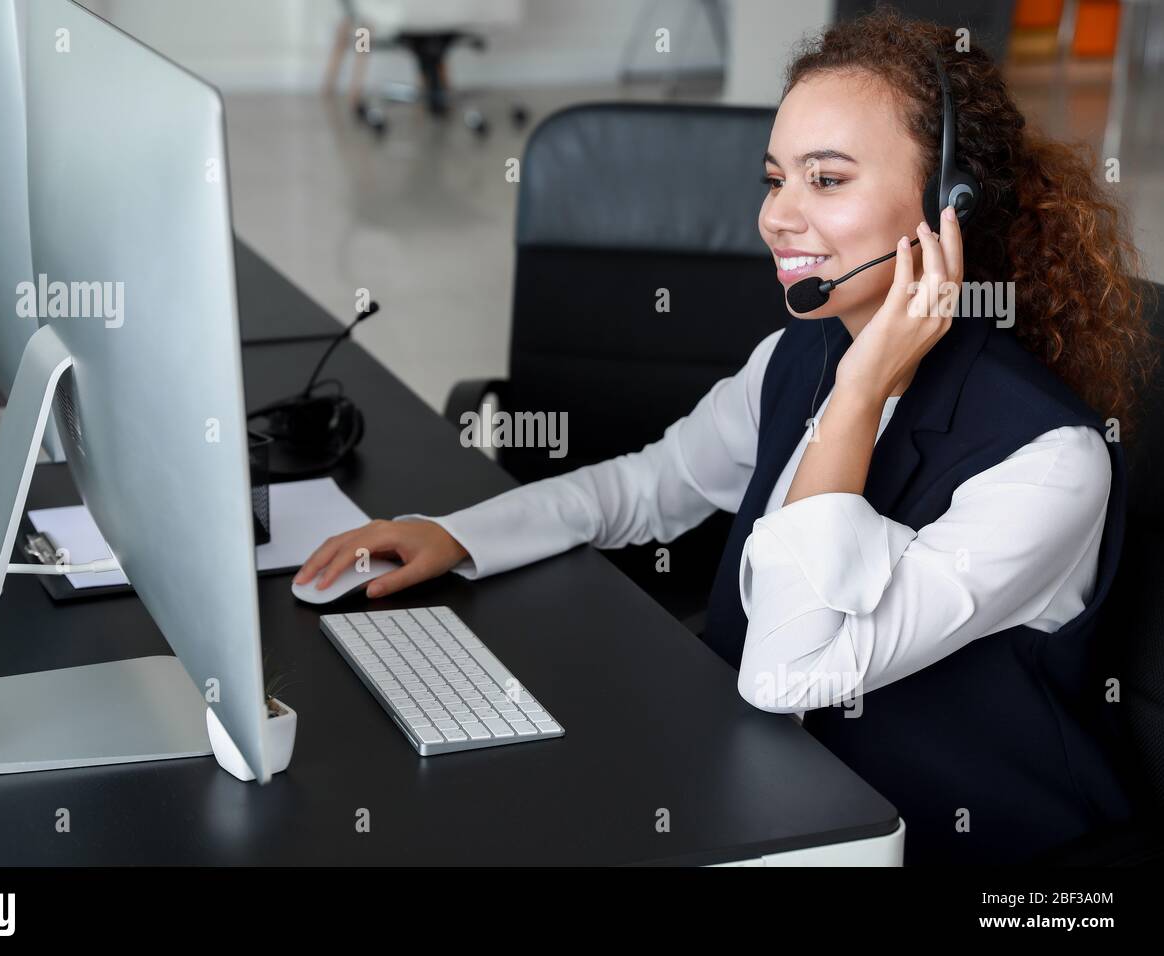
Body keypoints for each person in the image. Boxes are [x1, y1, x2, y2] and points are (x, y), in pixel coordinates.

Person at [294, 10, 1157, 864]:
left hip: (959, 847)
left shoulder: (1048, 462)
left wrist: (856, 398)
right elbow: (650, 485)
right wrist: (458, 534)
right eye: (773, 178)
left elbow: (788, 671)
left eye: (826, 180)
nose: (778, 216)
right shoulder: (798, 354)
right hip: (769, 796)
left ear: (946, 207)